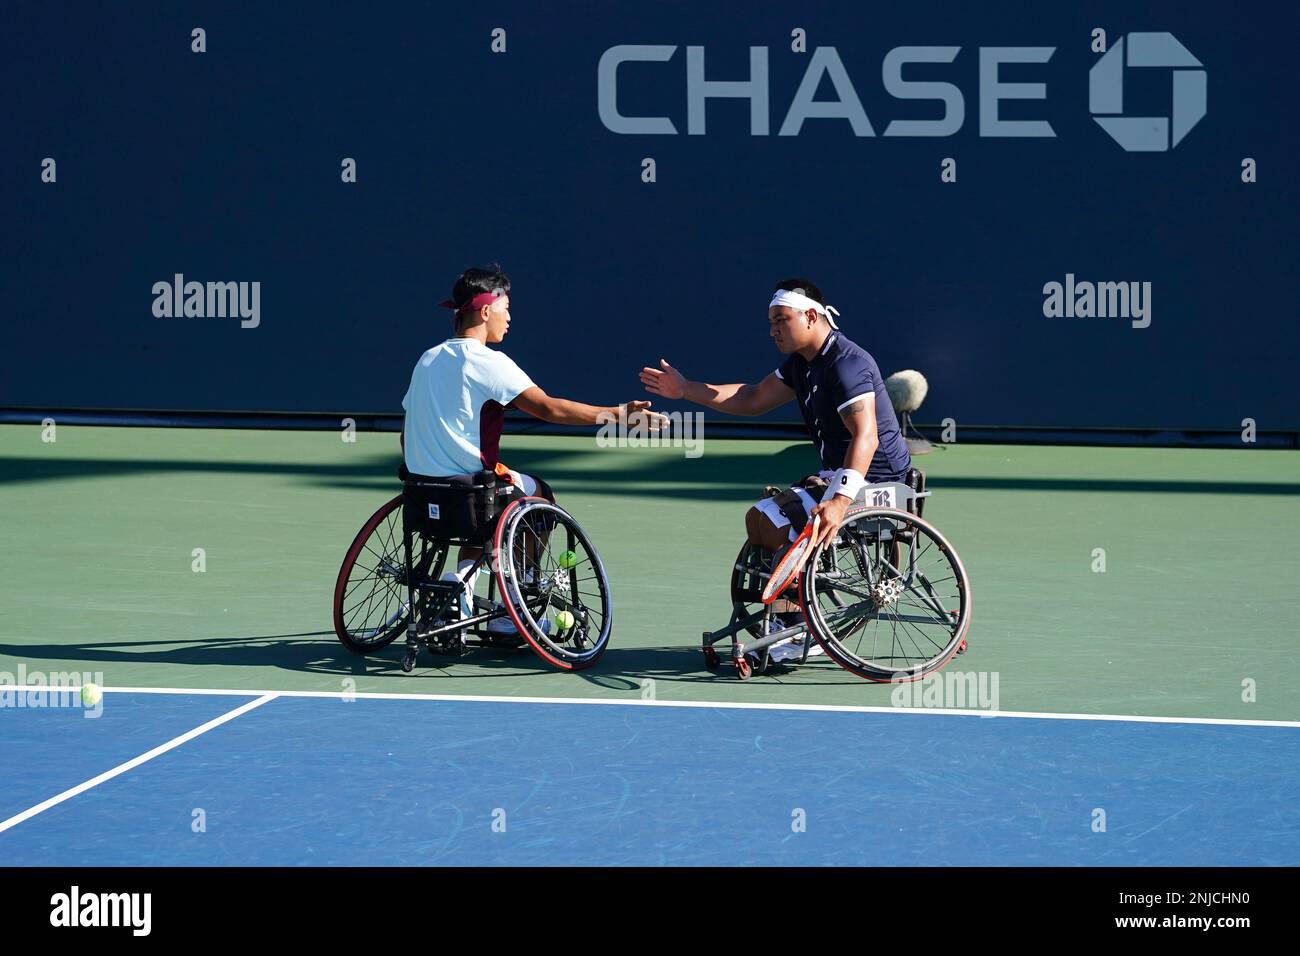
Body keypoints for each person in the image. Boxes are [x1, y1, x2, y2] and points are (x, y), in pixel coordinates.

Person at [640, 277, 911, 657]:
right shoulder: (803, 364)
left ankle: (801, 627)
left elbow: (866, 437)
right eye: (771, 322)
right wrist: (686, 389)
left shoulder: (847, 364)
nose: (773, 331)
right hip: (842, 477)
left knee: (773, 518)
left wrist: (839, 500)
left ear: (812, 316)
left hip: (876, 482)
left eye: (781, 320)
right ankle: (791, 615)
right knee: (761, 517)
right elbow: (752, 398)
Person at [402, 264, 662, 629]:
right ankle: (514, 607)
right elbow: (549, 408)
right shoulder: (489, 363)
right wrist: (618, 414)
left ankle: (459, 587)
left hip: (420, 497)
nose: (510, 318)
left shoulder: (426, 359)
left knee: (489, 495)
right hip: (471, 497)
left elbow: (405, 433)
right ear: (486, 310)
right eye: (506, 308)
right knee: (538, 495)